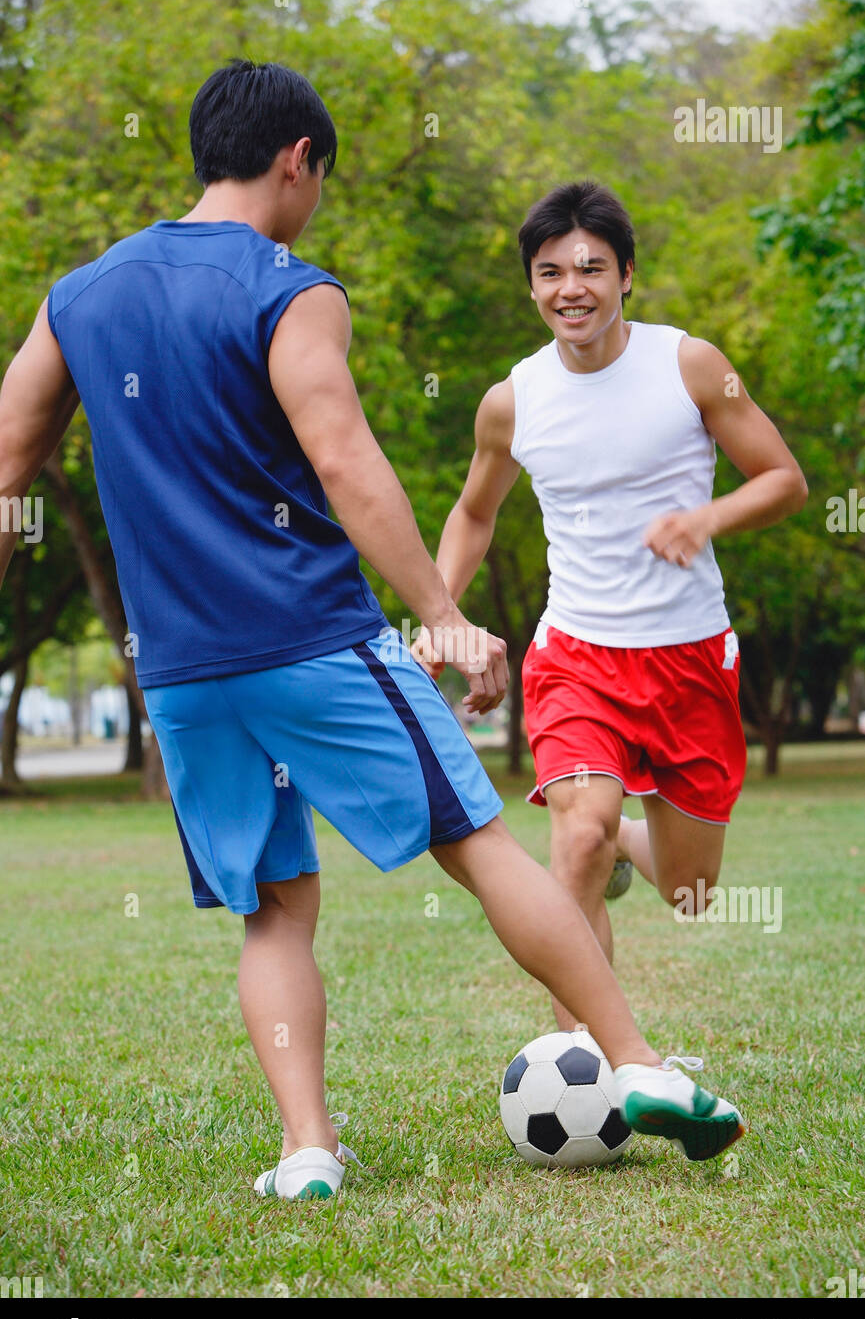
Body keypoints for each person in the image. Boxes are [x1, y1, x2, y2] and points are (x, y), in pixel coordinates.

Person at [0, 68, 745, 1200]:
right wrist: (442, 618)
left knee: (272, 908)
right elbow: (343, 455)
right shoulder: (290, 288)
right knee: (482, 844)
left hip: (185, 673)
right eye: (319, 180)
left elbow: (9, 461)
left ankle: (307, 1148)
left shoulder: (81, 295)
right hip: (311, 637)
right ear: (297, 158)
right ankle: (635, 1061)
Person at [418, 181, 808, 1033]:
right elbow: (474, 513)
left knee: (691, 892)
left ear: (626, 274)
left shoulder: (690, 364)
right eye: (551, 271)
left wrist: (705, 517)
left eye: (592, 268)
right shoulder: (510, 400)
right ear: (530, 285)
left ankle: (634, 845)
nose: (572, 288)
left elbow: (784, 480)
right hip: (576, 656)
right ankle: (581, 1066)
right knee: (577, 839)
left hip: (688, 656)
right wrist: (441, 612)